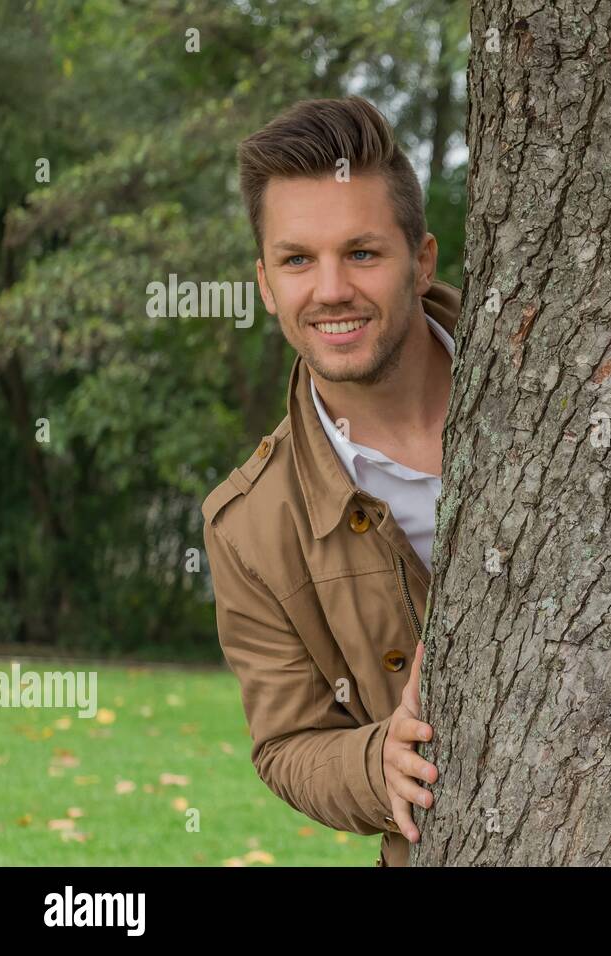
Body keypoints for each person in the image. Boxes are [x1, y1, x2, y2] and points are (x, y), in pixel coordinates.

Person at [202, 96, 448, 866]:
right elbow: (287, 743)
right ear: (266, 283)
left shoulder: (559, 380)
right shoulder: (246, 527)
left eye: (363, 253)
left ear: (423, 259)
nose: (331, 289)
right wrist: (375, 764)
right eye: (298, 259)